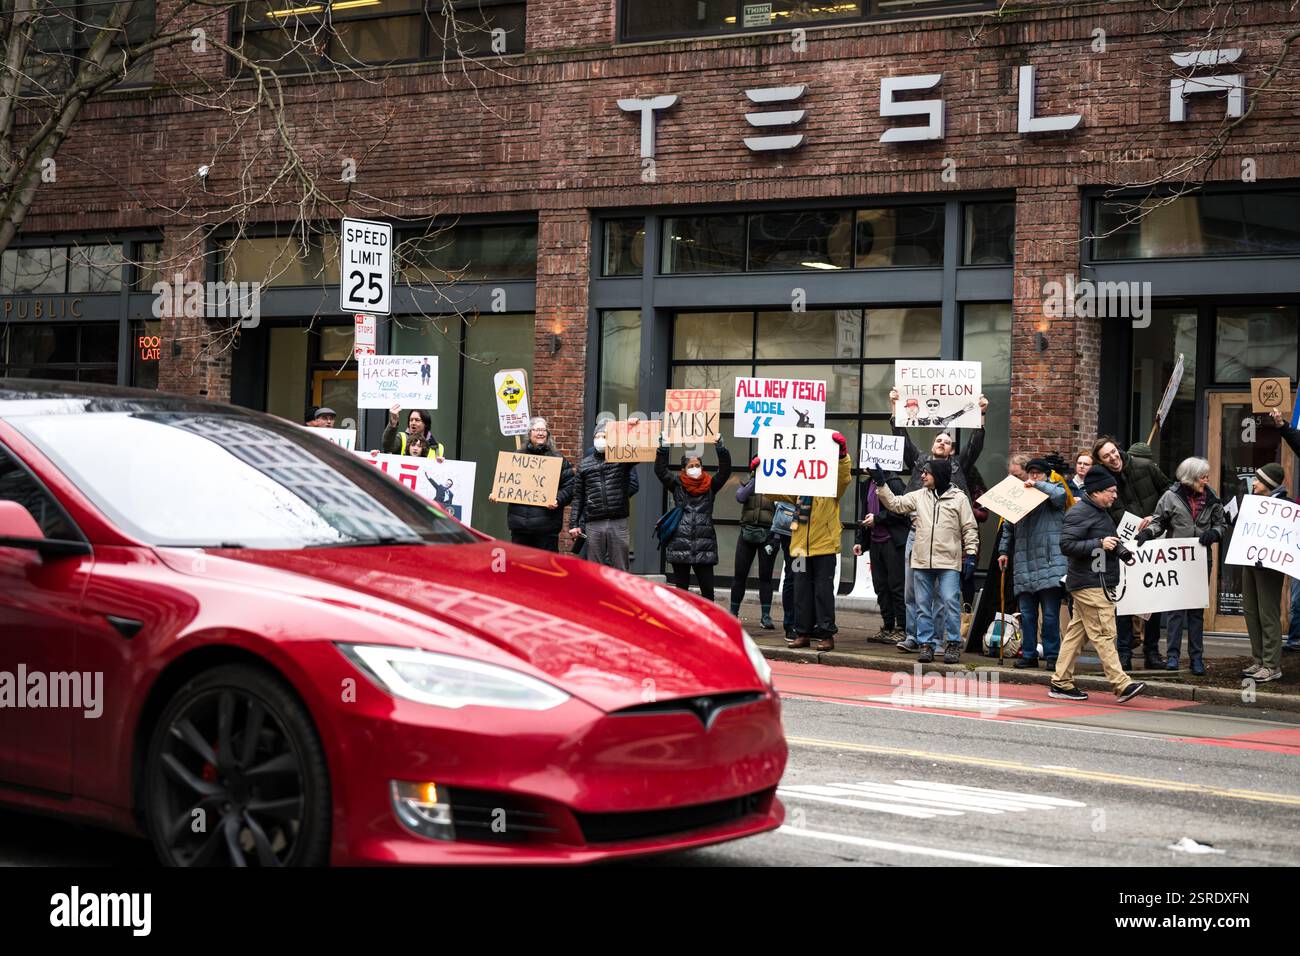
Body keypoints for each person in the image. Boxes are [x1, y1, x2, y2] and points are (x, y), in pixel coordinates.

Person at [889, 388, 989, 653]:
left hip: (946, 539)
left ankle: (935, 640)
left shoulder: (958, 466)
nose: (942, 443)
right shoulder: (920, 462)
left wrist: (981, 415)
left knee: (941, 596)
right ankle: (914, 637)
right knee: (913, 591)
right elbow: (902, 438)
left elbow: (975, 446)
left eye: (947, 441)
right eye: (938, 440)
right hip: (917, 535)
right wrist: (895, 407)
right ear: (932, 446)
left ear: (952, 449)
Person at [1052, 465, 1145, 703]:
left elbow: (1102, 540)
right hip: (1090, 583)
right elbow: (1066, 545)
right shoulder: (1080, 512)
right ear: (1095, 491)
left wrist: (1118, 549)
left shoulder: (1099, 511)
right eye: (1110, 491)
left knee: (1076, 635)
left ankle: (1061, 682)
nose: (1115, 495)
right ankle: (1121, 684)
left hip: (1094, 581)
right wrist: (1099, 543)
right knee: (1105, 633)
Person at [873, 458, 980, 665]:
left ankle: (953, 644)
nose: (922, 476)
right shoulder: (919, 495)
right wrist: (881, 484)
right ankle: (926, 645)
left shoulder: (959, 498)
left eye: (926, 472)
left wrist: (971, 554)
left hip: (948, 562)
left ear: (938, 475)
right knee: (922, 605)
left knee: (950, 602)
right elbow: (895, 504)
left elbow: (969, 527)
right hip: (922, 561)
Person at [1133, 457, 1227, 676]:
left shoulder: (1212, 498)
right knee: (1175, 610)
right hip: (1176, 560)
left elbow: (1221, 525)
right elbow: (1159, 522)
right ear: (1191, 478)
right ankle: (1173, 657)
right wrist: (1147, 533)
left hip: (1200, 560)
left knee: (1196, 611)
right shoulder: (1170, 496)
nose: (1207, 480)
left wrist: (1214, 534)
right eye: (1203, 476)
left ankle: (1196, 658)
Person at [1092, 435, 1171, 670]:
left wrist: (1155, 516)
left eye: (1113, 452)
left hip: (1154, 539)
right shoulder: (1103, 480)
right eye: (1106, 456)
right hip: (1124, 544)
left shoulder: (1145, 466)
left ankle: (1152, 652)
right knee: (1124, 599)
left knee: (1153, 599)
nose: (1112, 457)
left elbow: (1170, 493)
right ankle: (1124, 654)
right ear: (1100, 461)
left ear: (1118, 449)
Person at [770, 432, 853, 652]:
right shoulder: (798, 489)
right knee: (801, 590)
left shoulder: (830, 487)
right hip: (799, 549)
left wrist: (842, 456)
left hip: (824, 548)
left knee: (823, 592)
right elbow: (774, 491)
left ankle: (826, 635)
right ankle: (802, 633)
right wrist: (760, 472)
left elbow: (844, 477)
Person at [997, 457, 1069, 670]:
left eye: (1038, 473)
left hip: (1049, 562)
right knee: (1027, 615)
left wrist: (1037, 485)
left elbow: (1060, 497)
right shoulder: (1019, 495)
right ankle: (1028, 654)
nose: (1034, 476)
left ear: (1046, 475)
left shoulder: (1054, 489)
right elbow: (1008, 525)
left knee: (1050, 615)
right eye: (1031, 473)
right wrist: (1003, 551)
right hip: (1024, 561)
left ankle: (1052, 655)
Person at [655, 435, 731, 600]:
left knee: (707, 591)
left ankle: (707, 617)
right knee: (681, 592)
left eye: (698, 465)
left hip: (704, 546)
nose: (695, 468)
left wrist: (721, 449)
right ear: (684, 469)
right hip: (680, 545)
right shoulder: (677, 485)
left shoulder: (710, 486)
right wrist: (663, 449)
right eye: (691, 466)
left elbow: (725, 472)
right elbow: (661, 471)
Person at [1240, 462, 1289, 682]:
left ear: (1269, 483)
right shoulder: (1254, 503)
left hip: (1268, 566)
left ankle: (1272, 665)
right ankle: (1259, 660)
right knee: (1251, 611)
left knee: (1267, 613)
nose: (1254, 482)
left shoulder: (1284, 506)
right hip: (1250, 561)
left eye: (1258, 479)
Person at [569, 418, 639, 570]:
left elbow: (638, 452)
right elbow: (578, 496)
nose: (600, 440)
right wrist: (574, 524)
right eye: (597, 436)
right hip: (593, 523)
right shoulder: (584, 465)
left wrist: (630, 429)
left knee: (620, 567)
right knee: (594, 568)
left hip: (617, 520)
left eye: (605, 436)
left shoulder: (621, 459)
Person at [733, 456, 791, 631]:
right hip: (747, 533)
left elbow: (781, 513)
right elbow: (740, 497)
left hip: (767, 535)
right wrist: (755, 479)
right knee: (739, 575)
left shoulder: (777, 486)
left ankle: (765, 616)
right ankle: (733, 613)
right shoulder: (749, 483)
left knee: (765, 577)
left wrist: (776, 538)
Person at [854, 467, 909, 644]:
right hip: (875, 542)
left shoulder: (894, 483)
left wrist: (878, 519)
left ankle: (902, 628)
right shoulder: (867, 484)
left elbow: (902, 512)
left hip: (892, 542)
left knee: (896, 586)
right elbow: (865, 511)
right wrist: (861, 541)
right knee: (881, 586)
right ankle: (888, 626)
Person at [503, 417, 574, 552]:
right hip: (520, 528)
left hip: (547, 528)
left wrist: (558, 499)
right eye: (536, 430)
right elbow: (506, 481)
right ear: (530, 433)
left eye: (543, 430)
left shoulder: (558, 459)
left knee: (545, 565)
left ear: (547, 434)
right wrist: (497, 493)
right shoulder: (517, 457)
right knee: (520, 564)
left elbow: (570, 487)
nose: (540, 433)